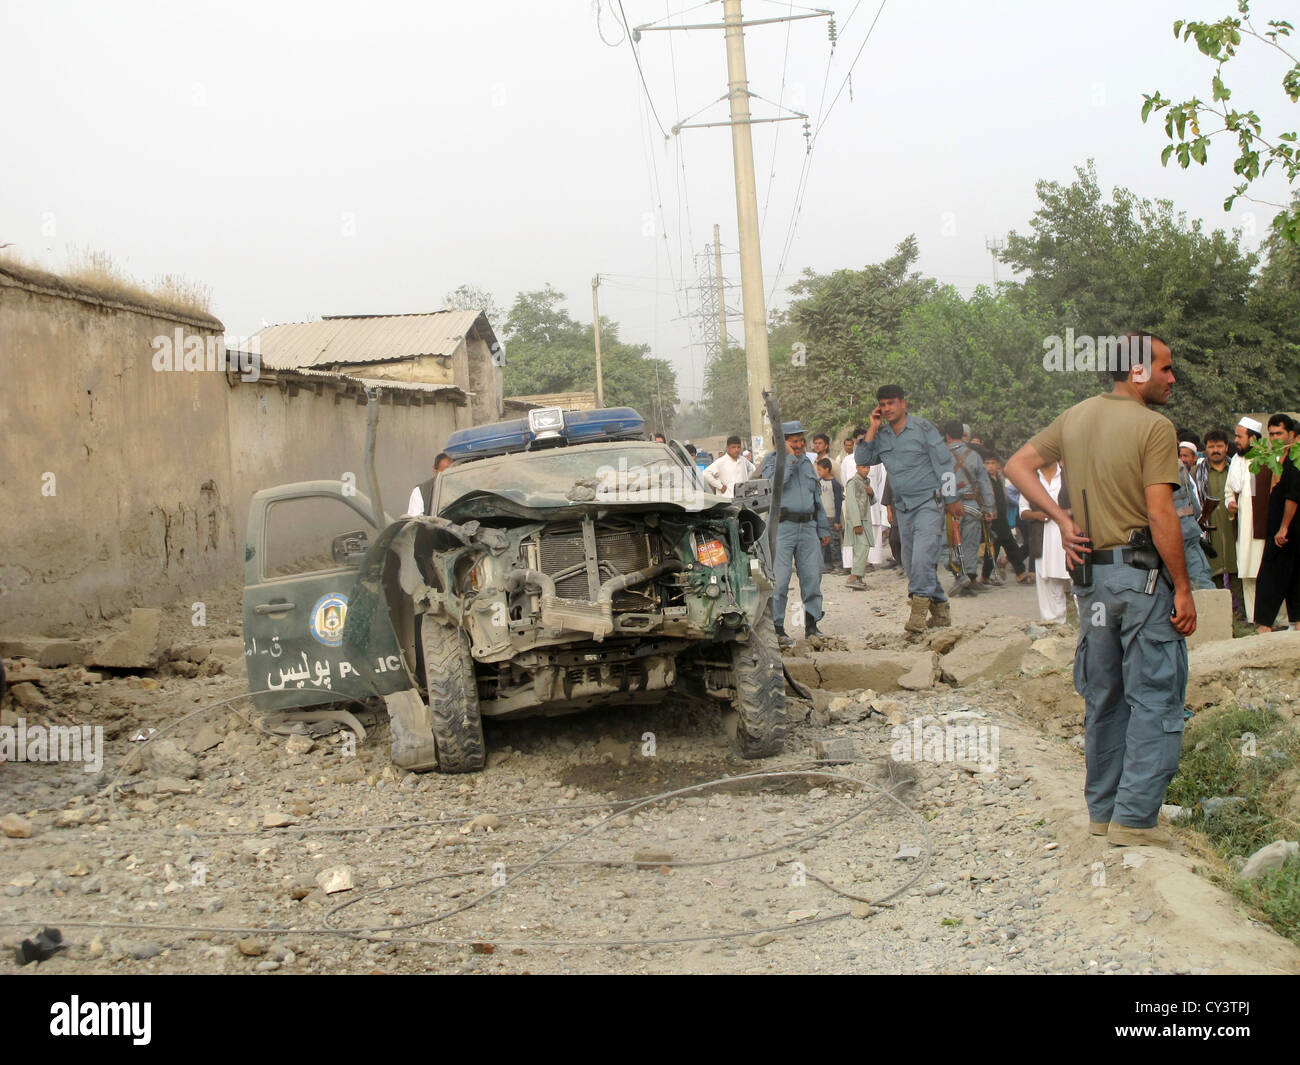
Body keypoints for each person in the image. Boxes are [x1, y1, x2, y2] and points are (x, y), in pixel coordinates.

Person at [1004, 332, 1195, 849]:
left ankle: (1103, 813)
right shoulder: (1155, 427)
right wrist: (1184, 587)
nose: (1171, 378)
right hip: (1143, 579)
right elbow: (1160, 513)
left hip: (1092, 583)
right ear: (1137, 371)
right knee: (1155, 695)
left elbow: (1016, 465)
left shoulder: (1075, 416)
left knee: (1104, 697)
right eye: (1165, 368)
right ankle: (1135, 821)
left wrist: (1063, 521)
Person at [855, 385, 960, 636]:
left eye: (891, 402)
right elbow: (862, 458)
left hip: (927, 503)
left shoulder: (923, 429)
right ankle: (941, 610)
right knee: (913, 565)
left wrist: (951, 497)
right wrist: (872, 427)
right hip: (903, 507)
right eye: (883, 404)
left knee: (923, 557)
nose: (887, 408)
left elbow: (945, 463)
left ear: (903, 403)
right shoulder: (882, 436)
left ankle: (917, 615)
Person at [760, 421, 830, 646]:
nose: (799, 445)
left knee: (812, 578)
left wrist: (822, 527)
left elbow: (816, 497)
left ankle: (812, 626)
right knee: (779, 582)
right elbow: (774, 486)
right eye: (794, 442)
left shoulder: (809, 464)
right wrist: (788, 458)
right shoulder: (772, 462)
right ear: (781, 443)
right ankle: (778, 629)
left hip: (808, 527)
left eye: (801, 441)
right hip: (782, 528)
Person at [1253, 414, 1300, 632]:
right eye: (1271, 434)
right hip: (1280, 530)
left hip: (1288, 531)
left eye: (1279, 433)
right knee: (1290, 577)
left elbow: (1293, 496)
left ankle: (1264, 625)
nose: (1275, 438)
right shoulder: (1275, 458)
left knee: (1270, 576)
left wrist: (1284, 527)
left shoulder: (1295, 460)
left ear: (1291, 434)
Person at [944, 420, 994, 595]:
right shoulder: (974, 456)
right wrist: (989, 508)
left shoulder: (940, 455)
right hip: (971, 506)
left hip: (948, 508)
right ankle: (970, 579)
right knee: (970, 544)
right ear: (963, 435)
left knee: (947, 545)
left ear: (947, 435)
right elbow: (984, 483)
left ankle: (959, 576)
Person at [1017, 460, 1072, 623]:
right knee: (1047, 582)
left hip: (1067, 536)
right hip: (1042, 538)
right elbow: (1023, 511)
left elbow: (1083, 504)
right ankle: (1052, 624)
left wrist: (1063, 513)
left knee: (1075, 578)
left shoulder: (1068, 475)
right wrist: (1037, 515)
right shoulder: (1031, 479)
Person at [1225, 417, 1268, 619]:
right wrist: (1230, 504)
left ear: (1253, 438)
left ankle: (1272, 617)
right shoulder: (1236, 461)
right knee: (1248, 574)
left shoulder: (1268, 459)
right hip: (1243, 528)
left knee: (1265, 572)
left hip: (1263, 528)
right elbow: (1229, 491)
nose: (1236, 440)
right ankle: (1254, 618)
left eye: (1239, 436)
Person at [1202, 427, 1241, 614]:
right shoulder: (1198, 472)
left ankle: (1242, 615)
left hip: (1234, 527)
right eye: (1211, 446)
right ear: (1206, 449)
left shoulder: (1237, 468)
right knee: (1214, 573)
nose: (1215, 450)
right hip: (1210, 530)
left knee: (1237, 572)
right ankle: (1220, 615)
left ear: (1227, 447)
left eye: (1219, 446)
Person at [980, 451, 1031, 585]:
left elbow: (1004, 497)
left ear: (998, 465)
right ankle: (987, 576)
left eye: (993, 463)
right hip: (992, 518)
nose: (990, 466)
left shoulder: (1000, 479)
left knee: (1007, 546)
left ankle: (1018, 573)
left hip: (1002, 517)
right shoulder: (983, 480)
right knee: (997, 547)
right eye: (987, 463)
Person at [1174, 439, 1215, 590]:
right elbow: (1196, 509)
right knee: (1200, 584)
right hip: (1187, 535)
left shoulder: (1143, 467)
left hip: (1157, 539)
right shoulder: (1179, 469)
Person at [843, 464, 875, 590]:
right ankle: (853, 577)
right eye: (863, 467)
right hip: (858, 521)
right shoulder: (852, 482)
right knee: (861, 548)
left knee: (863, 548)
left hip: (865, 519)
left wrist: (871, 493)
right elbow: (850, 503)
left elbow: (871, 502)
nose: (866, 470)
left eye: (868, 467)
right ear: (857, 467)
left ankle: (859, 578)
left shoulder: (866, 481)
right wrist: (856, 523)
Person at [816, 457, 845, 573]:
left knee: (834, 543)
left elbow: (838, 503)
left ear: (827, 469)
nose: (818, 472)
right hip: (821, 517)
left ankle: (838, 564)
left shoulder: (835, 484)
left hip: (832, 517)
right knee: (824, 542)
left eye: (820, 469)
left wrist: (837, 520)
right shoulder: (818, 483)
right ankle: (827, 564)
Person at [407, 452, 452, 517]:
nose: (449, 476)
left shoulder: (464, 487)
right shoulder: (421, 492)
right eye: (444, 473)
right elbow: (416, 522)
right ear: (435, 470)